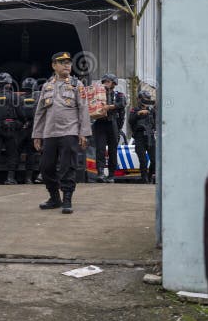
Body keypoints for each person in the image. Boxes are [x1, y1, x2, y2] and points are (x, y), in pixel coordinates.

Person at [33, 52, 91, 214]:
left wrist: (84, 132)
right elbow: (40, 113)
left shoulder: (77, 85)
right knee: (46, 167)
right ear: (53, 65)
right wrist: (37, 134)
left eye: (68, 62)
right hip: (50, 133)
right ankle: (54, 198)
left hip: (69, 132)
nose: (66, 65)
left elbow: (83, 109)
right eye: (62, 62)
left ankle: (67, 199)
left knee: (68, 167)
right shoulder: (46, 86)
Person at [0, 72, 24, 185]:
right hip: (11, 128)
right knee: (12, 153)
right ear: (9, 84)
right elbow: (21, 113)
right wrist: (21, 123)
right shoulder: (15, 97)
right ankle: (10, 178)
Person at [92, 73, 127, 183]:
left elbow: (122, 104)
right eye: (104, 81)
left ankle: (111, 175)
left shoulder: (119, 95)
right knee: (100, 149)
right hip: (100, 124)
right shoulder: (97, 95)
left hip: (113, 124)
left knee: (112, 151)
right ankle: (100, 173)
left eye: (108, 81)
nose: (106, 83)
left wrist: (109, 107)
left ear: (114, 83)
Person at [129, 89, 156, 183]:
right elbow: (130, 120)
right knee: (143, 160)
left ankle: (149, 176)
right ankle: (144, 179)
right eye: (144, 99)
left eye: (148, 99)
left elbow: (157, 123)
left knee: (155, 160)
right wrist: (139, 113)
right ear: (139, 99)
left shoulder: (152, 110)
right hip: (139, 137)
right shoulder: (135, 109)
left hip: (150, 137)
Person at [18, 77, 40, 184]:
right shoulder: (37, 98)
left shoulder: (19, 98)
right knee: (30, 154)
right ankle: (28, 178)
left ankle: (13, 177)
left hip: (21, 129)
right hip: (32, 128)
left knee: (16, 152)